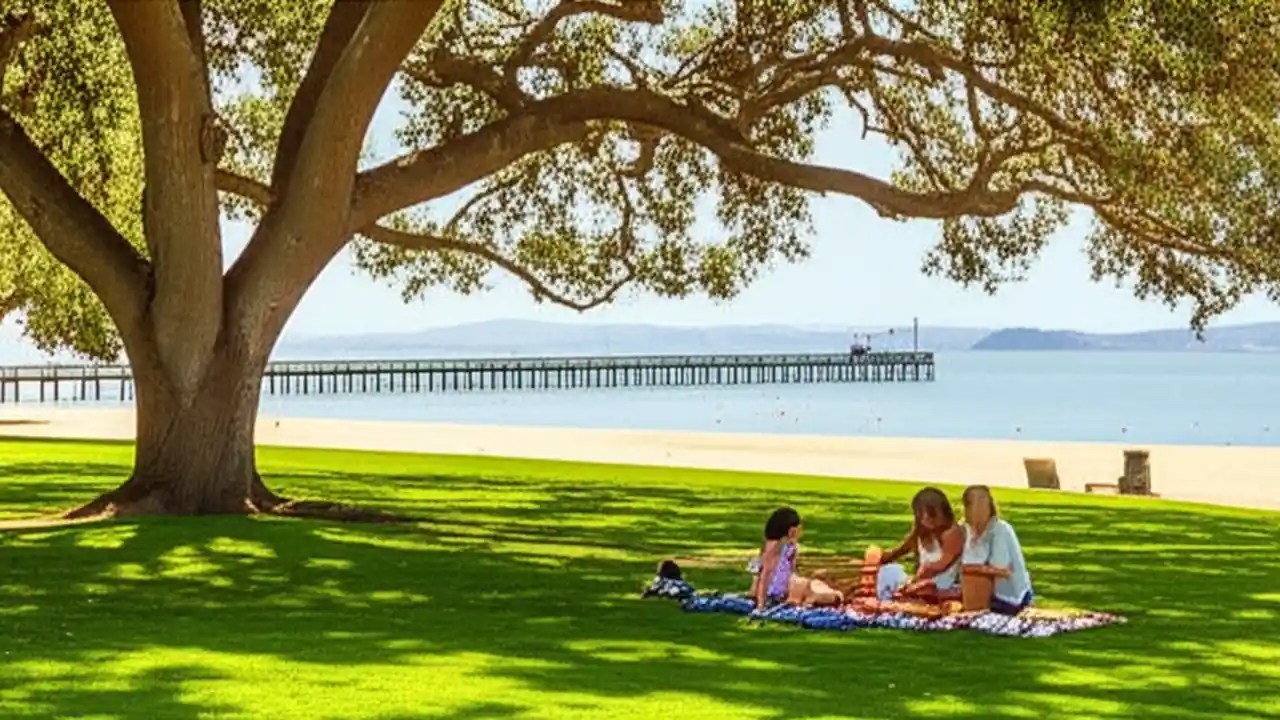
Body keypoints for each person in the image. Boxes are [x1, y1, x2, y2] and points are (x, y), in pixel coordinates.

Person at [877, 487, 964, 600]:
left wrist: (915, 580)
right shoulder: (920, 532)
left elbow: (940, 565)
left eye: (932, 514)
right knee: (886, 572)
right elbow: (899, 551)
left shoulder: (952, 533)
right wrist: (878, 558)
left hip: (942, 587)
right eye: (921, 514)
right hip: (920, 582)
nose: (927, 518)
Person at [748, 507, 843, 607]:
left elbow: (763, 573)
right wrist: (761, 604)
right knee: (814, 587)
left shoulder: (772, 546)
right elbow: (766, 573)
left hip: (781, 589)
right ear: (792, 531)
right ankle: (833, 597)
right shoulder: (781, 547)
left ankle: (825, 596)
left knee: (815, 583)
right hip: (783, 591)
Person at [960, 485, 1033, 614]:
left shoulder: (1001, 530)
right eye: (973, 503)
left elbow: (1003, 570)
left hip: (1008, 596)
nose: (978, 508)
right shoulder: (965, 530)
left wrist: (973, 568)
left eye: (982, 501)